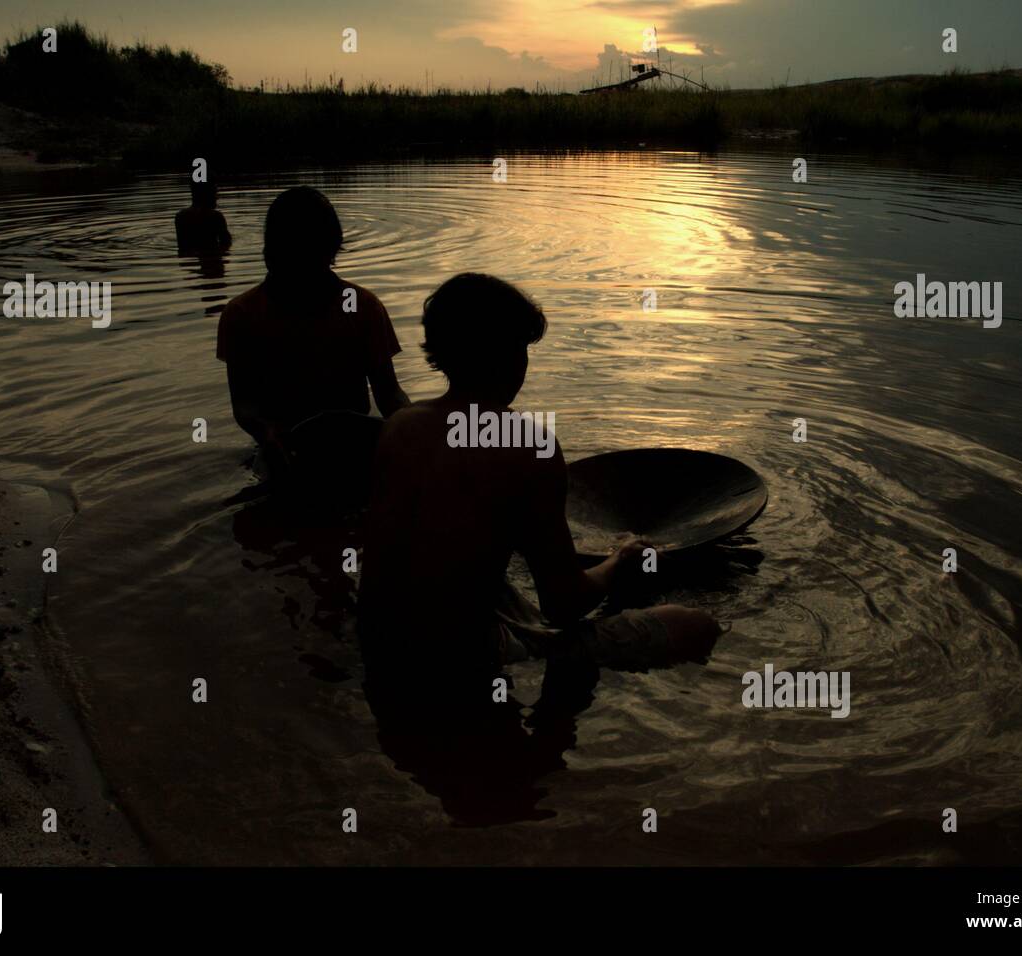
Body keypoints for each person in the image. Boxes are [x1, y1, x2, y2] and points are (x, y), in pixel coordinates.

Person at [358, 273, 719, 716]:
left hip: (385, 642)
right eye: (523, 349)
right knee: (696, 625)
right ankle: (559, 712)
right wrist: (619, 562)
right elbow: (564, 603)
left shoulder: (400, 428)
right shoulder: (527, 445)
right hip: (465, 657)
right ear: (509, 355)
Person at [215, 187, 409, 478]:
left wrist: (413, 428)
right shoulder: (243, 314)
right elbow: (244, 405)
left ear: (330, 252)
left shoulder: (362, 307)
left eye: (311, 260)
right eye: (294, 259)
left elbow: (389, 393)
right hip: (281, 449)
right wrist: (266, 433)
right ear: (273, 254)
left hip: (353, 445)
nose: (303, 276)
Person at [175, 179, 232, 253]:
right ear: (207, 194)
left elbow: (182, 247)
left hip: (188, 261)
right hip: (212, 257)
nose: (217, 197)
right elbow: (226, 243)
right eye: (214, 192)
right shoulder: (215, 217)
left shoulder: (180, 216)